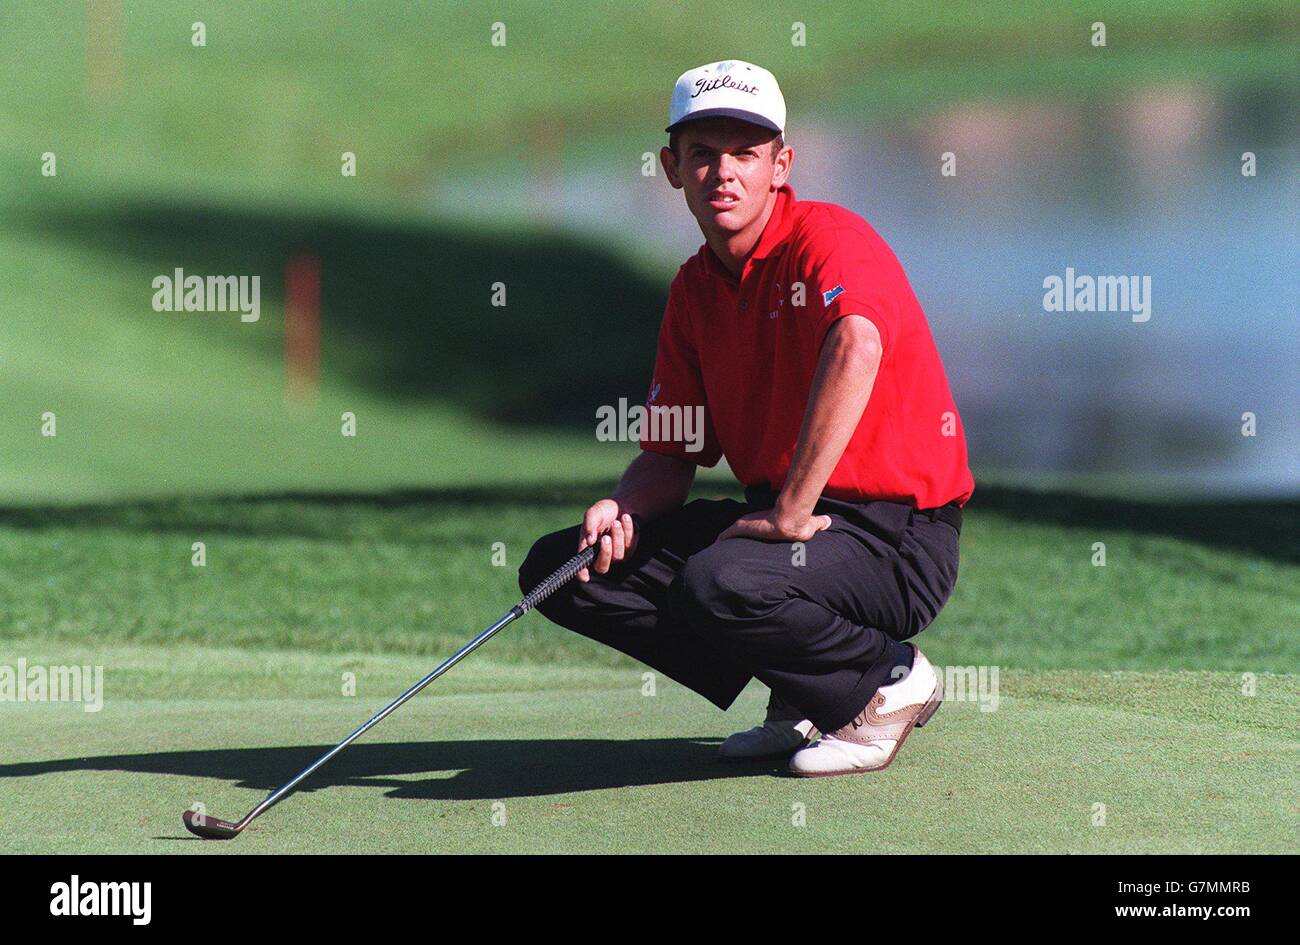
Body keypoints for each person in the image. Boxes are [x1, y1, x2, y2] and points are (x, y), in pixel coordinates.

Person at [519, 60, 973, 776]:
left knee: (723, 580)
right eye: (702, 154)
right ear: (672, 168)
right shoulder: (694, 289)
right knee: (565, 569)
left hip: (897, 536)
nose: (722, 172)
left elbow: (857, 343)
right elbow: (672, 455)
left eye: (745, 154)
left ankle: (886, 682)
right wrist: (623, 505)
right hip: (784, 529)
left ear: (780, 164)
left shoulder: (827, 239)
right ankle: (805, 689)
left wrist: (792, 507)